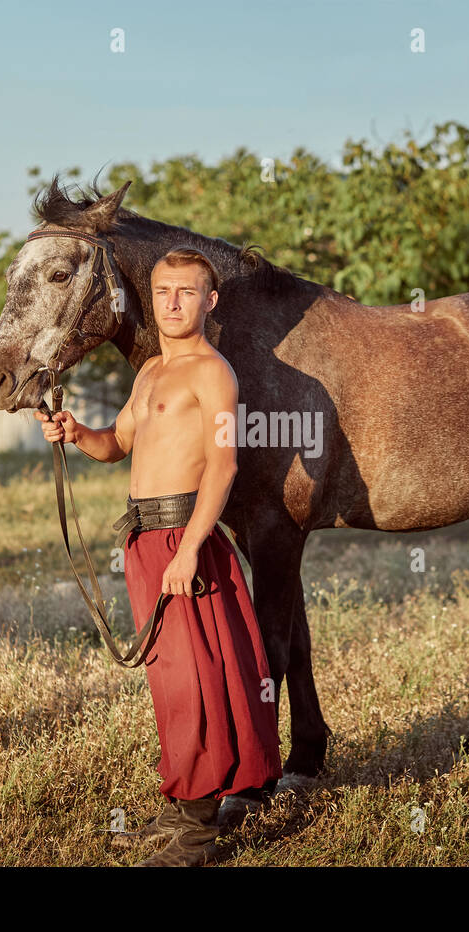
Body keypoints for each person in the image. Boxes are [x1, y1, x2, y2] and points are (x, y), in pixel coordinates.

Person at [34, 246, 282, 866]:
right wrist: (74, 433)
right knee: (170, 678)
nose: (173, 303)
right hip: (143, 538)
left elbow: (224, 466)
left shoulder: (213, 373)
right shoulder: (147, 374)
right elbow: (116, 442)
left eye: (187, 292)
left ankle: (198, 831)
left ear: (209, 301)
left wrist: (192, 547)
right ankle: (184, 802)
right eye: (164, 292)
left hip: (183, 537)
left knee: (195, 677)